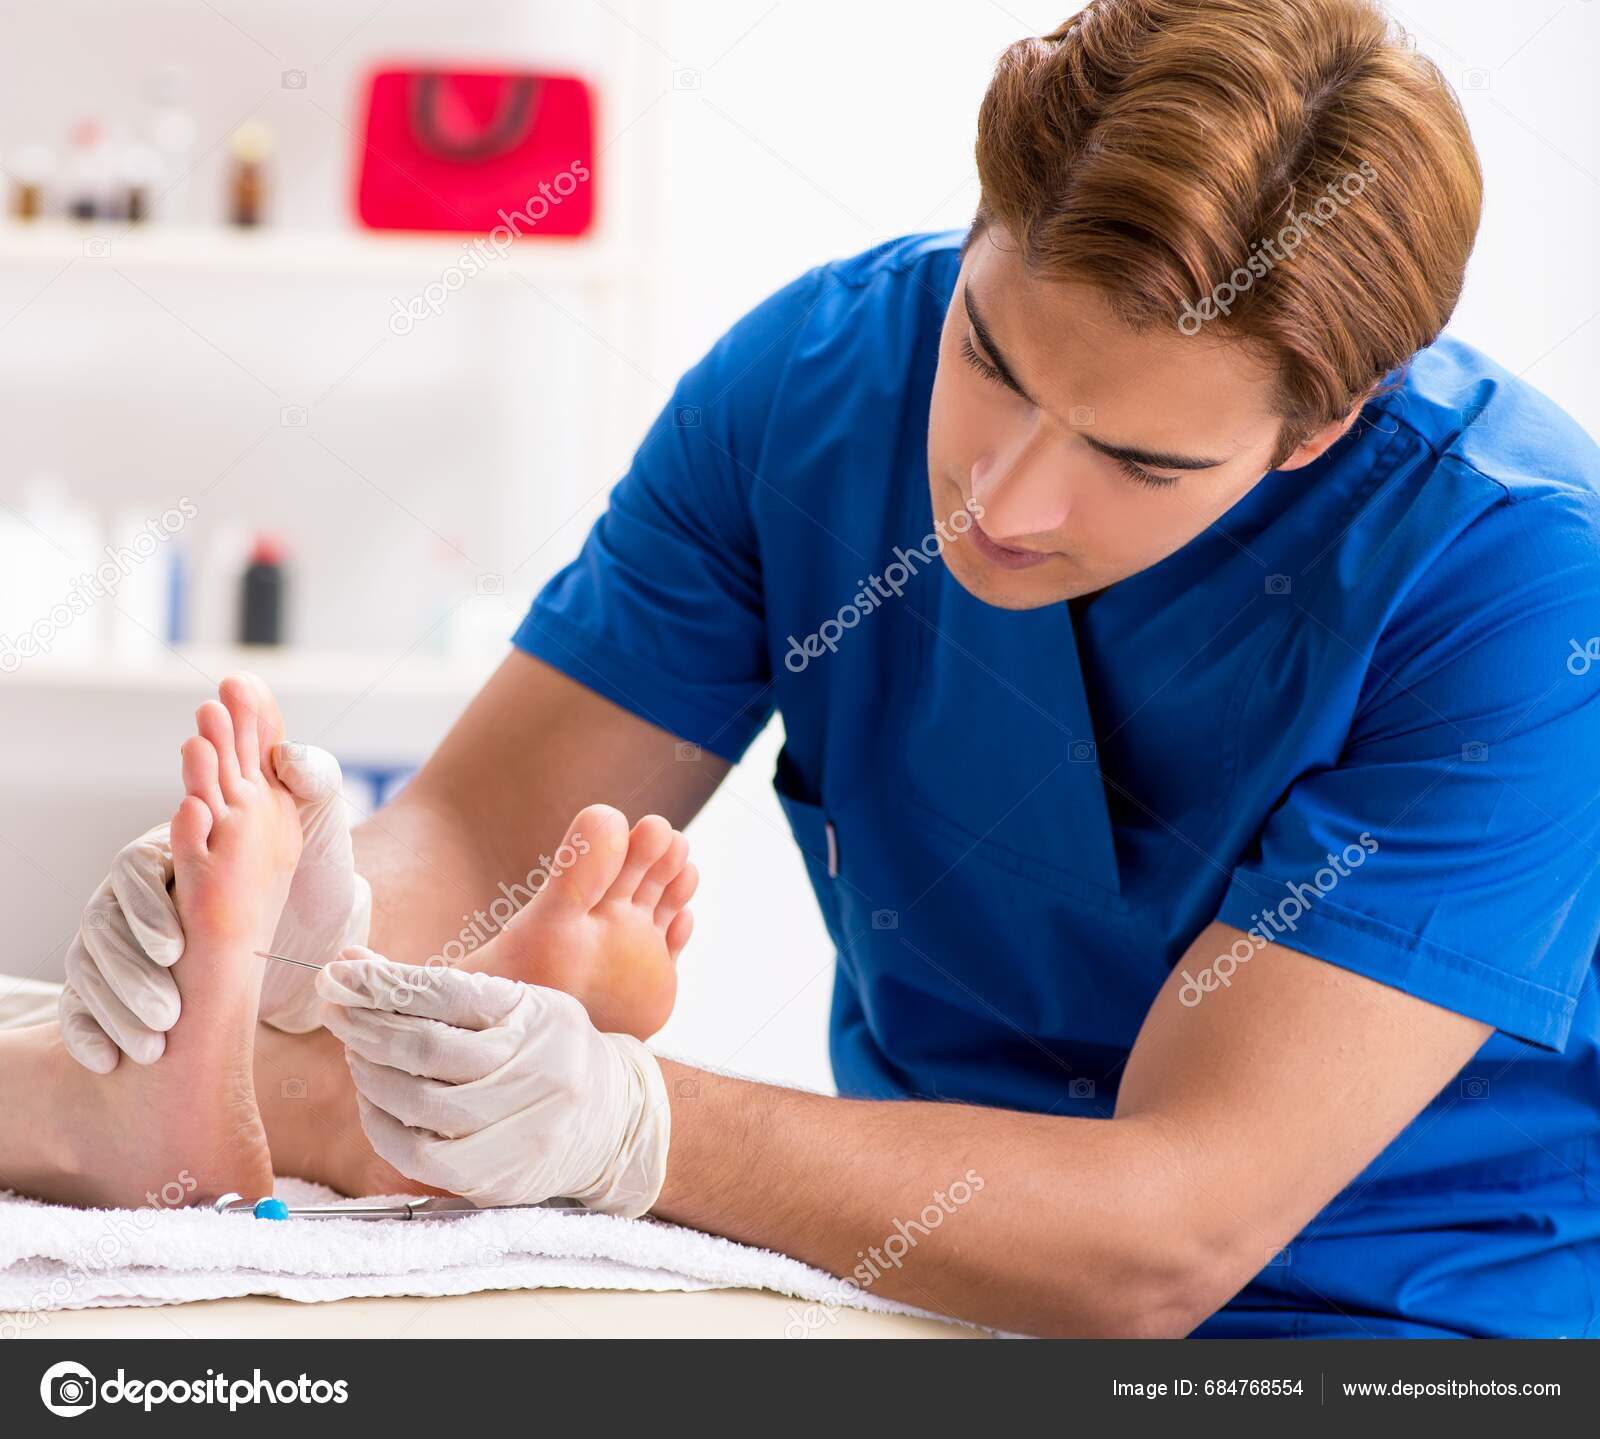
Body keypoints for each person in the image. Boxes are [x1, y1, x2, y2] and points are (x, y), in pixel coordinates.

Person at [57, 0, 1600, 1337]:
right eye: (991, 359)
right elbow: (477, 830)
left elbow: (1170, 1230)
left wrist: (630, 1125)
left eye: (1136, 457)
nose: (1002, 498)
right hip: (912, 1282)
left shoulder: (1519, 588)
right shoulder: (814, 385)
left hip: (1406, 1321)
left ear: (1318, 430)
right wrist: (289, 925)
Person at [4, 678, 693, 1215]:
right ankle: (368, 1097)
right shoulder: (714, 504)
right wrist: (342, 929)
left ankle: (339, 1096)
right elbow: (468, 822)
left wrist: (634, 1115)